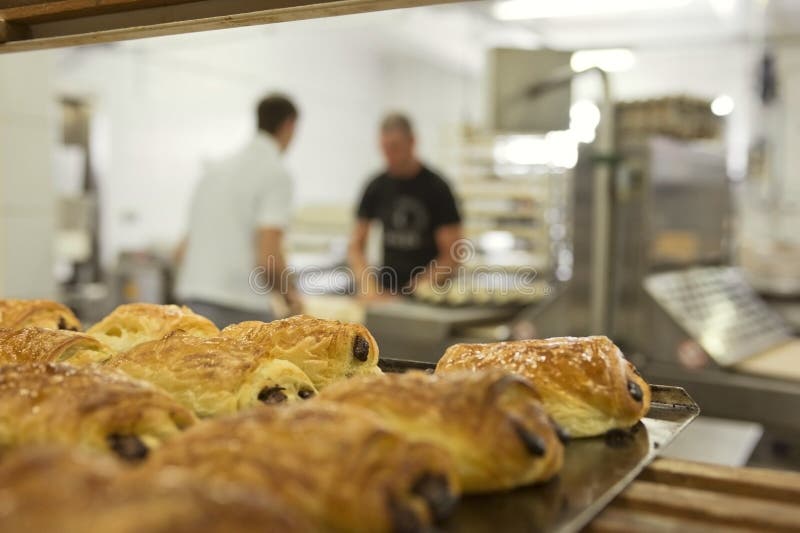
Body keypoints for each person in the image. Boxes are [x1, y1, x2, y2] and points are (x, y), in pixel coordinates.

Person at [175, 93, 302, 327]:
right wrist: (292, 298)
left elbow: (181, 250)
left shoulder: (214, 170)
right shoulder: (276, 173)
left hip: (193, 301)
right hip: (239, 307)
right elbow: (268, 258)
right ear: (289, 125)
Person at [349, 113, 463, 298]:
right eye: (385, 148)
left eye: (395, 147)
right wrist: (368, 284)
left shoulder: (437, 188)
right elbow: (356, 246)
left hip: (431, 292)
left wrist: (419, 287)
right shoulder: (376, 186)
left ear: (412, 142)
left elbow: (452, 254)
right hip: (387, 288)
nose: (389, 155)